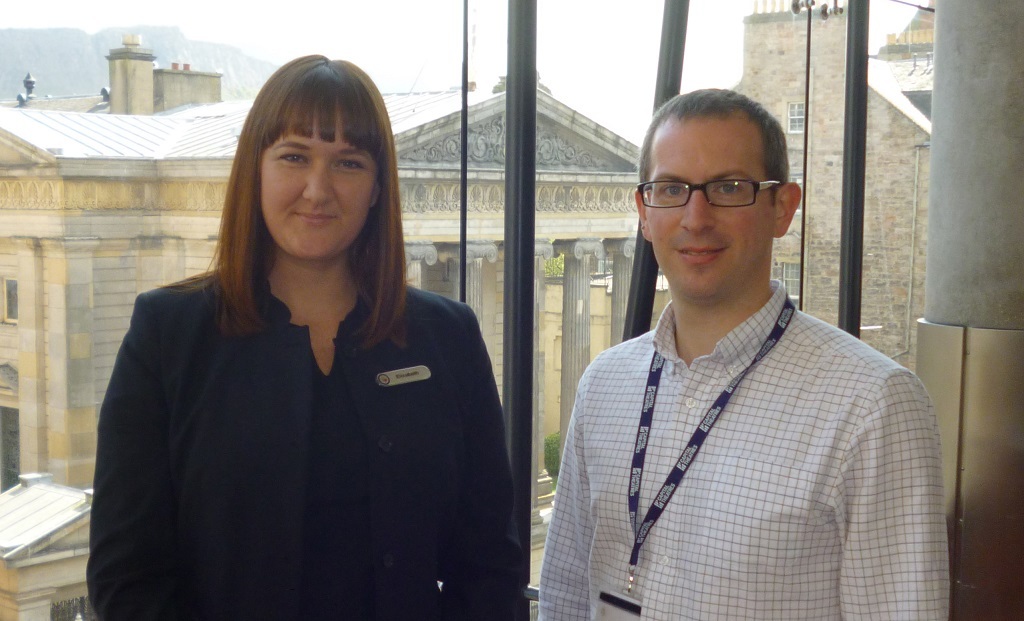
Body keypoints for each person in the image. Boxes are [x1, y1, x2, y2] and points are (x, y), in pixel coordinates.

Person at [87, 55, 522, 621]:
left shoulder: (448, 338)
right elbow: (128, 580)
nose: (318, 190)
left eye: (348, 162)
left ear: (375, 189)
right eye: (294, 156)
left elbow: (490, 563)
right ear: (256, 171)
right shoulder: (168, 336)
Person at [539, 89, 948, 620]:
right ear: (644, 211)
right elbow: (566, 594)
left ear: (783, 207)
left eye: (729, 188)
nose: (696, 216)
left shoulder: (873, 404)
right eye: (671, 189)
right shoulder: (604, 384)